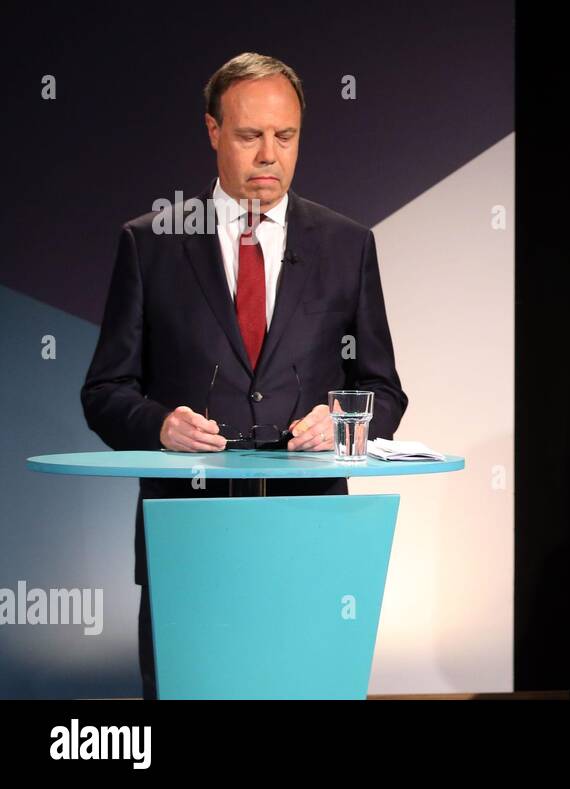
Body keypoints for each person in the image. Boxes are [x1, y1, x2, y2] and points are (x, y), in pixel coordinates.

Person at [81, 52, 408, 699]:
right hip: (190, 547)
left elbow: (384, 388)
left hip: (312, 545)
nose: (269, 154)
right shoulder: (149, 244)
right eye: (249, 135)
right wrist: (160, 424)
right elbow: (103, 392)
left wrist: (344, 423)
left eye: (284, 137)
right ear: (212, 132)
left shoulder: (348, 246)